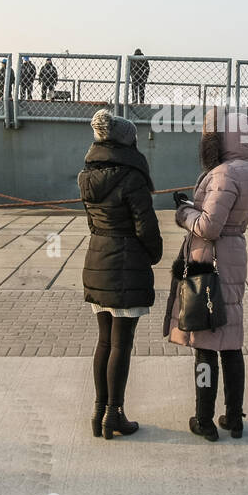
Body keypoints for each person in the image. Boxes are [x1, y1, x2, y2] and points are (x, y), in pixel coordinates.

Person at [164, 108, 248, 442]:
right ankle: (234, 417)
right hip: (234, 258)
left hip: (210, 260)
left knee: (205, 342)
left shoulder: (223, 174)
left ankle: (203, 419)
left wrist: (184, 212)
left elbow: (208, 226)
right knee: (231, 342)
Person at [79, 109, 163, 440]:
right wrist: (153, 254)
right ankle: (115, 415)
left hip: (97, 260)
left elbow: (92, 223)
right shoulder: (132, 178)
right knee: (121, 344)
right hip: (126, 266)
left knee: (104, 341)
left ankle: (99, 412)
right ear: (127, 143)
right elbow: (146, 226)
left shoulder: (86, 175)